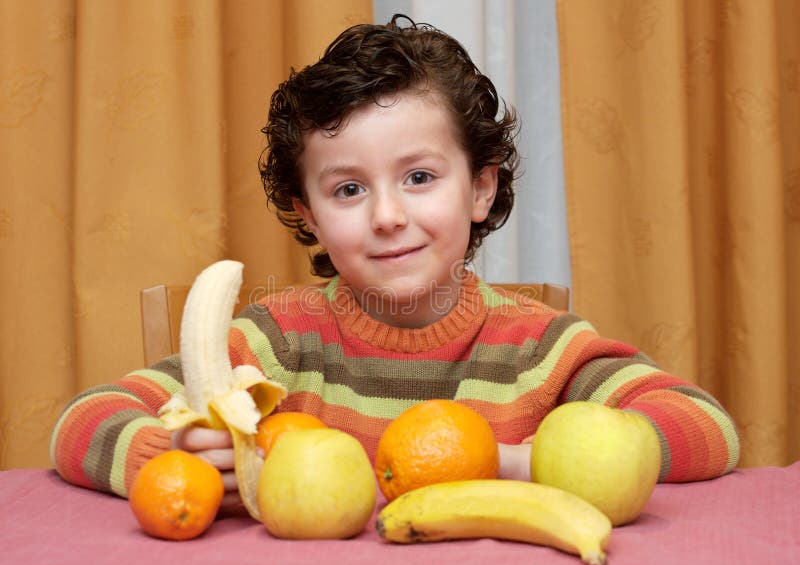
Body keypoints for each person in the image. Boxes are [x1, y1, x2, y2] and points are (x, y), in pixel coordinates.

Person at [50, 15, 740, 509]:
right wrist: (163, 454)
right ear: (311, 214)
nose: (386, 215)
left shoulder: (541, 349)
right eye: (349, 189)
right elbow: (85, 416)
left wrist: (516, 462)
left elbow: (705, 426)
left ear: (479, 187)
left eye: (418, 177)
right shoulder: (276, 342)